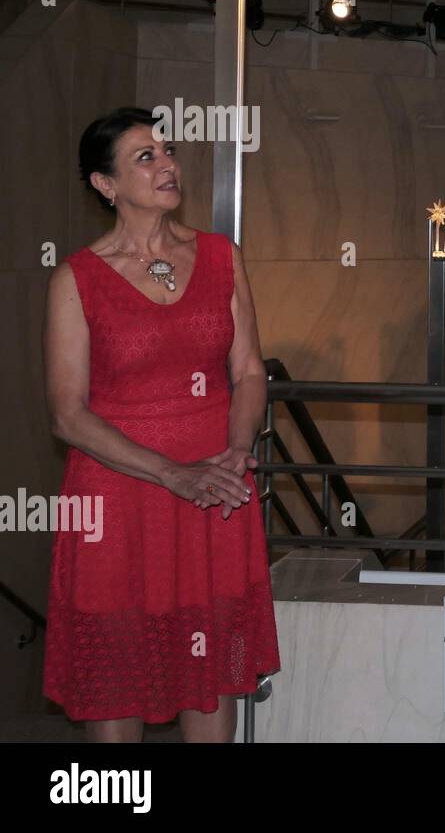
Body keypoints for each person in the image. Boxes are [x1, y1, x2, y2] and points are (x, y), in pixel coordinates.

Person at [42, 107, 280, 742]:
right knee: (116, 671)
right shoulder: (78, 278)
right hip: (119, 499)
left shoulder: (220, 256)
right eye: (144, 157)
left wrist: (234, 452)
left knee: (209, 674)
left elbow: (250, 371)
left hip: (214, 491)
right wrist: (173, 475)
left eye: (167, 149)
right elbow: (68, 415)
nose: (168, 163)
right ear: (106, 185)